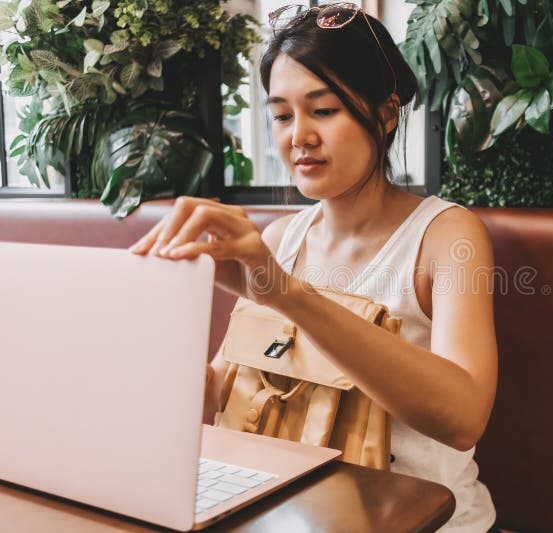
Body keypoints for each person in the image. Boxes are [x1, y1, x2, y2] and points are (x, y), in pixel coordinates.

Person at [130, 3, 498, 531]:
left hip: (426, 520)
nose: (297, 136)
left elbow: (463, 418)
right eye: (281, 115)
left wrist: (282, 292)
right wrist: (129, 345)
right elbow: (221, 389)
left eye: (323, 110)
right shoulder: (282, 239)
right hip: (297, 513)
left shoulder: (447, 236)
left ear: (387, 113)